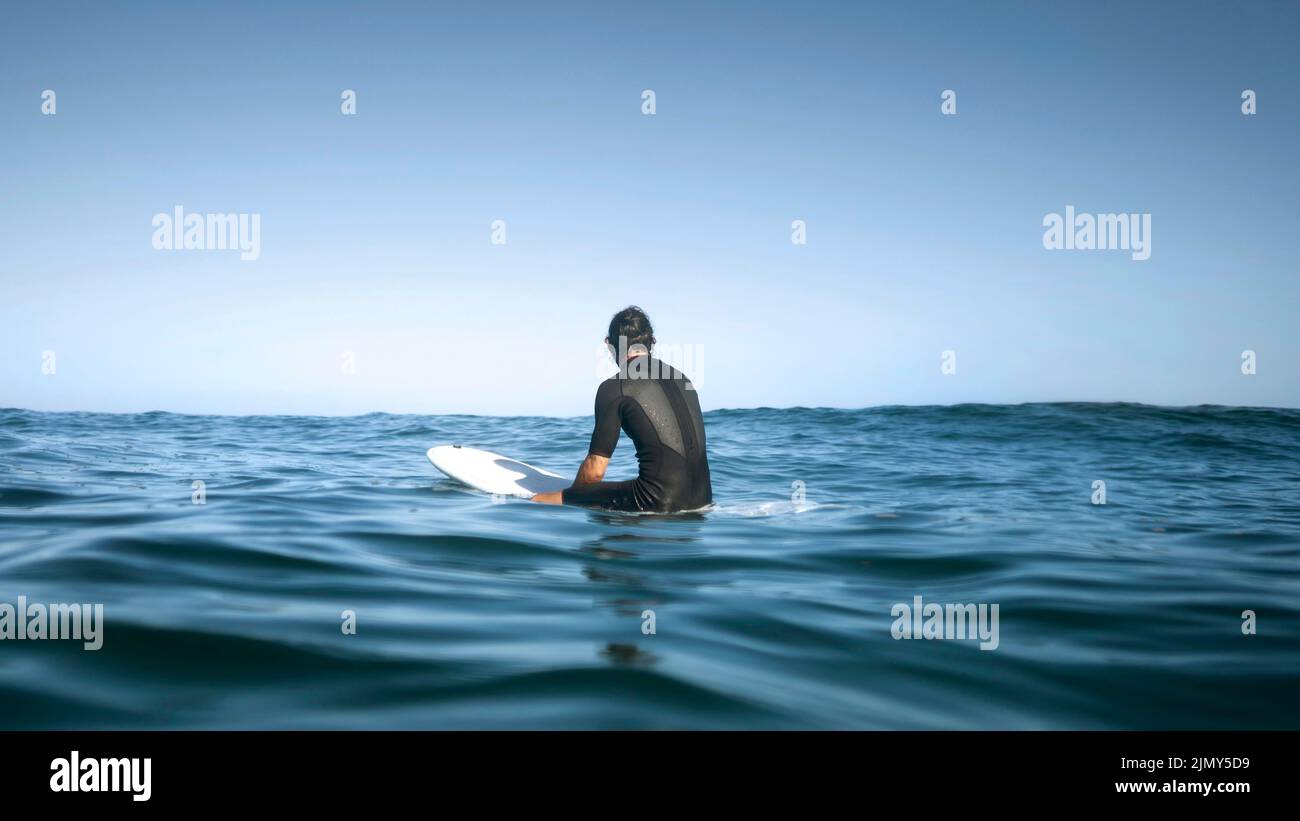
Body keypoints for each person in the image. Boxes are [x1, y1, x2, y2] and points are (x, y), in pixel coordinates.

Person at [531, 306, 712, 512]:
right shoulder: (684, 379)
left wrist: (575, 496)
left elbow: (595, 471)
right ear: (652, 343)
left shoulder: (615, 387)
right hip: (703, 501)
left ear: (609, 347)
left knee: (540, 500)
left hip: (658, 503)